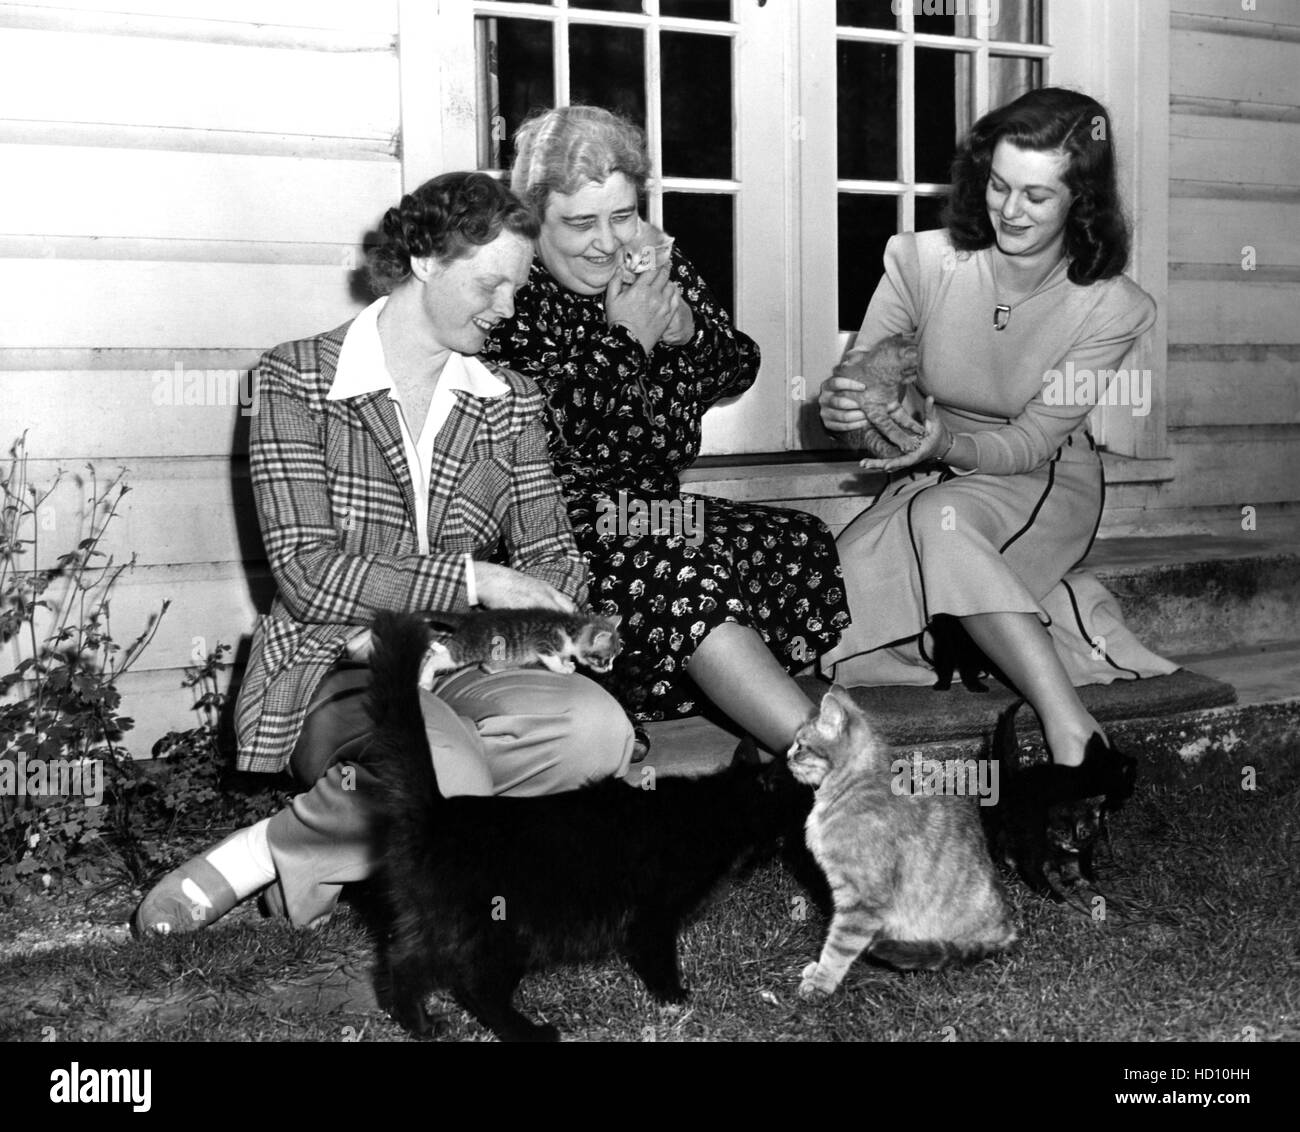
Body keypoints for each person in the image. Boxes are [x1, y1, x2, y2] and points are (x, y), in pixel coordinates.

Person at [133, 172, 633, 936]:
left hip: (467, 662)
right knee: (442, 770)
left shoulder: (510, 400)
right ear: (426, 261)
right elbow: (308, 574)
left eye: (517, 288)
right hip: (335, 665)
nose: (508, 308)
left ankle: (309, 852)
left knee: (599, 734)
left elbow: (555, 559)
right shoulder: (293, 381)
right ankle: (273, 856)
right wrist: (470, 581)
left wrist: (499, 638)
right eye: (491, 284)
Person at [818, 87, 1176, 774]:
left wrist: (942, 446)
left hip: (1040, 479)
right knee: (834, 624)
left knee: (943, 519)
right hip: (930, 468)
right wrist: (853, 415)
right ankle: (1054, 611)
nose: (1010, 211)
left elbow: (1034, 440)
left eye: (1037, 197)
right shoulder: (918, 261)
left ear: (1082, 200)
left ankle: (1074, 734)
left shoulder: (1114, 307)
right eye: (999, 186)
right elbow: (873, 393)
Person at [481, 105, 851, 759]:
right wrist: (624, 340)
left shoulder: (651, 263)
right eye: (579, 222)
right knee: (680, 568)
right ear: (533, 217)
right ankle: (825, 762)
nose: (605, 241)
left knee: (800, 543)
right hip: (550, 531)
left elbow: (740, 365)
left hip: (650, 508)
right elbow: (547, 434)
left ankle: (713, 698)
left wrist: (689, 334)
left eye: (621, 215)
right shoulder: (507, 293)